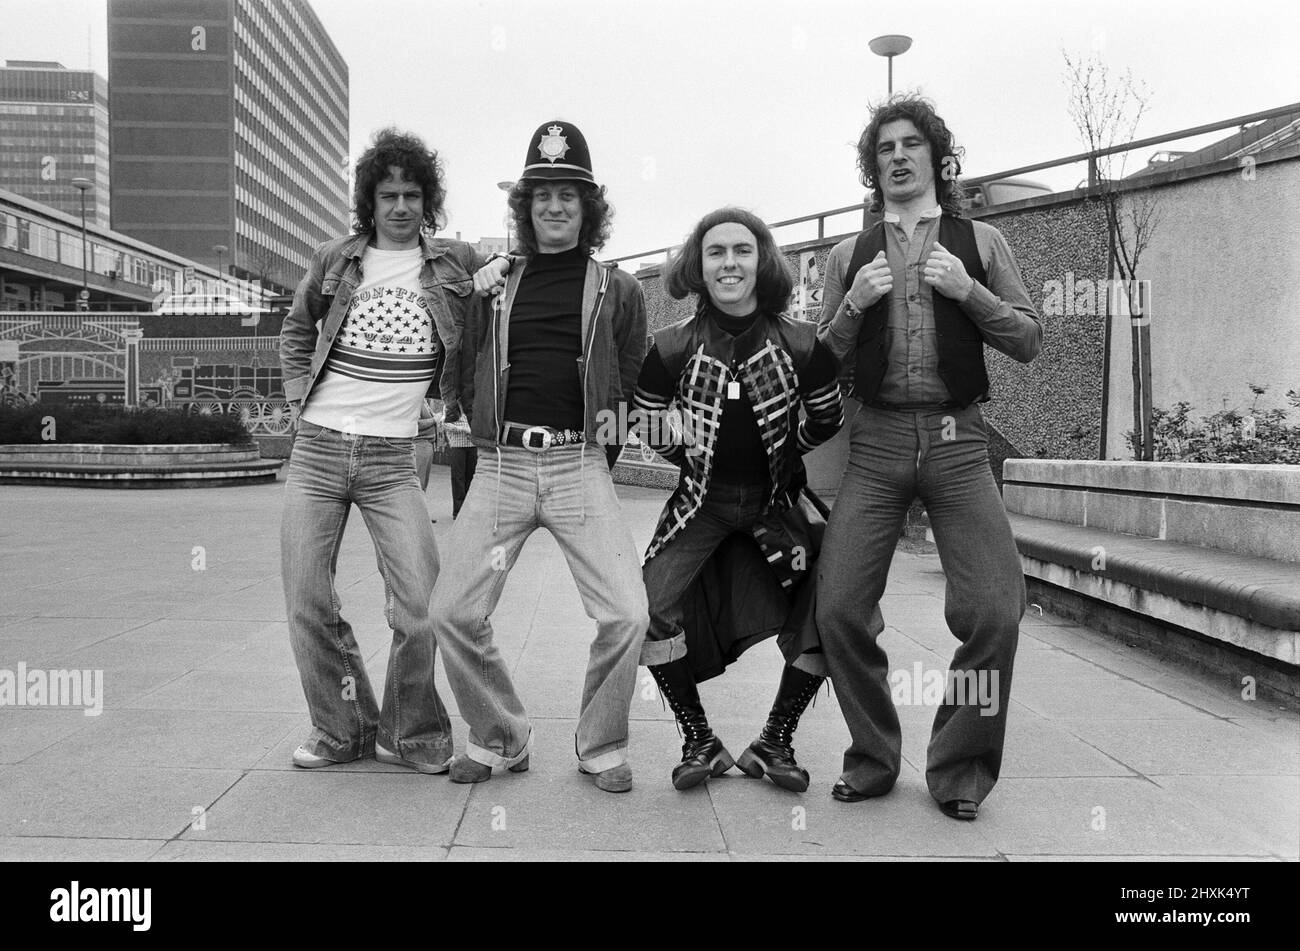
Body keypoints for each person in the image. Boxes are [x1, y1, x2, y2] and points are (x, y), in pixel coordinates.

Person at [815, 95, 1042, 820]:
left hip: (959, 441)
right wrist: (852, 304)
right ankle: (874, 756)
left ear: (935, 158)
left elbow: (1028, 338)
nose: (899, 156)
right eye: (886, 148)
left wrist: (967, 290)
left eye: (912, 143)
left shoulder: (981, 242)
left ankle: (959, 768)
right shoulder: (847, 254)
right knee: (840, 604)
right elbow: (818, 362)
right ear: (873, 164)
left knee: (996, 609)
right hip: (876, 442)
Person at [429, 120, 649, 793]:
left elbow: (633, 378)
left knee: (627, 612)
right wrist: (479, 418)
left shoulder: (618, 289)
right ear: (525, 209)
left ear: (590, 209)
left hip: (576, 463)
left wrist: (600, 451)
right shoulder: (497, 282)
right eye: (542, 194)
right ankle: (501, 735)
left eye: (569, 195)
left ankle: (600, 741)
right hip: (501, 466)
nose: (555, 206)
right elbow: (460, 363)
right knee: (451, 611)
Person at [279, 128, 479, 773]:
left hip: (394, 459)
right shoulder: (335, 258)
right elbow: (296, 328)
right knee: (309, 599)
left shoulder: (454, 264)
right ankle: (343, 728)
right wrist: (295, 399)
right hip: (317, 452)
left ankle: (409, 731)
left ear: (428, 201)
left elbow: (512, 283)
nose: (400, 206)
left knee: (422, 607)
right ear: (371, 201)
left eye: (412, 194)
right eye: (388, 194)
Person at [634, 208, 843, 791]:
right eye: (716, 252)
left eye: (742, 250)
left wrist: (786, 453)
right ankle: (699, 741)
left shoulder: (802, 343)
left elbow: (828, 415)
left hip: (777, 506)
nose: (730, 262)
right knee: (645, 607)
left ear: (762, 261)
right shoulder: (672, 345)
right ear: (698, 267)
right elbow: (646, 419)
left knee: (833, 608)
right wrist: (691, 460)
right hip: (699, 506)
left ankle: (775, 741)